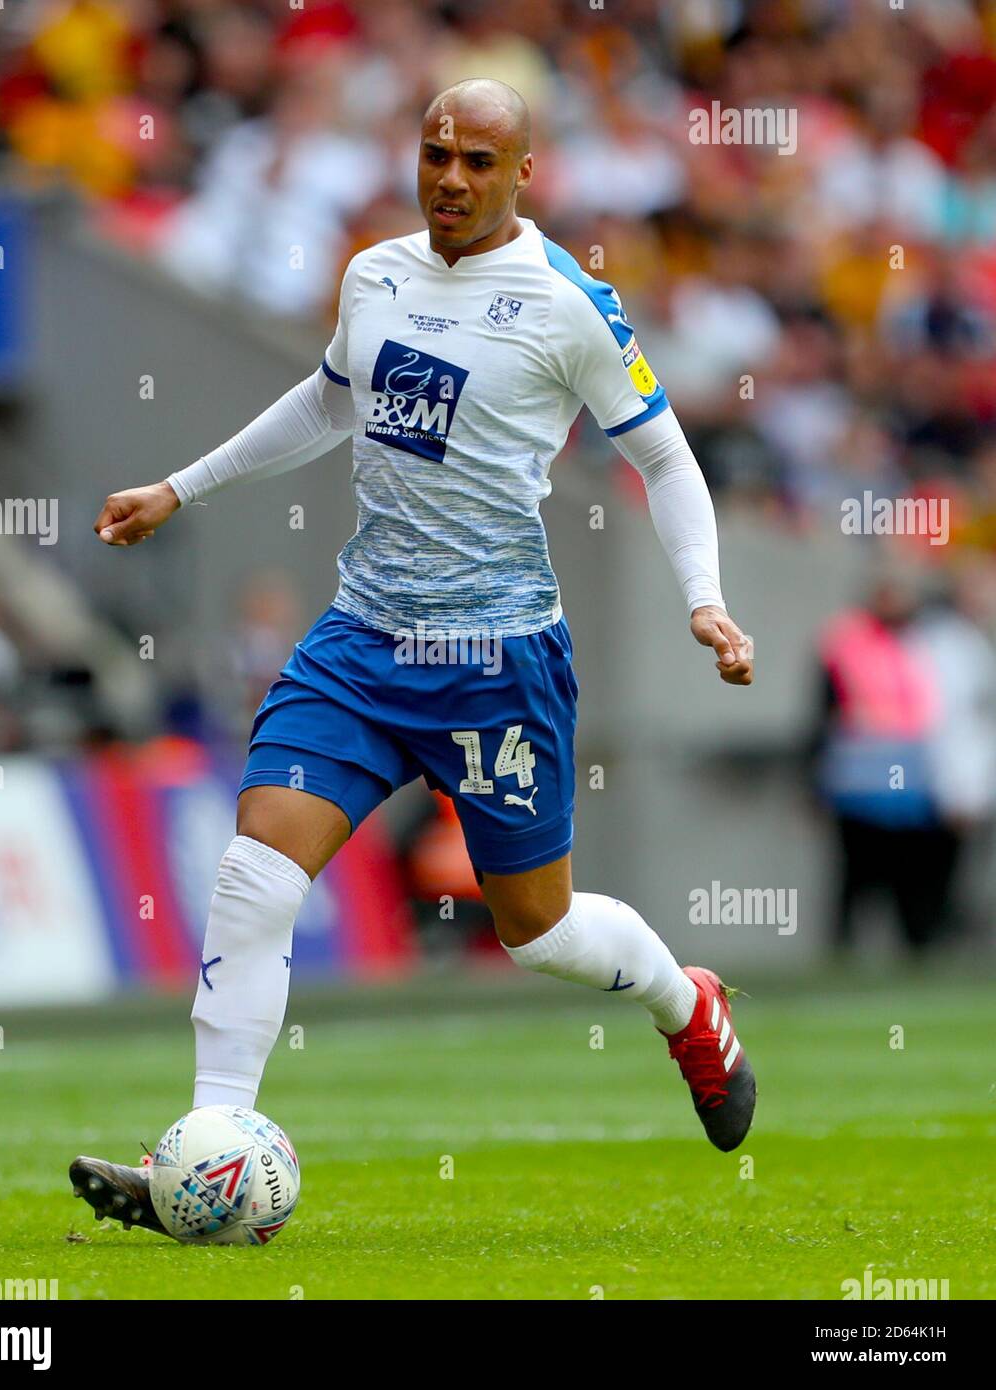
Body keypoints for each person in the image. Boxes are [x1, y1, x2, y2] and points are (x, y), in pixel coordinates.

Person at [71, 79, 756, 1238]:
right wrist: (179, 488)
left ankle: (683, 1001)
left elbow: (668, 461)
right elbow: (326, 403)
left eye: (478, 161)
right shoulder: (374, 272)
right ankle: (209, 1145)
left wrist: (706, 599)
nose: (449, 178)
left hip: (495, 661)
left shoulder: (566, 305)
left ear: (522, 174)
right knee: (254, 874)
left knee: (535, 931)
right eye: (435, 153)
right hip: (360, 642)